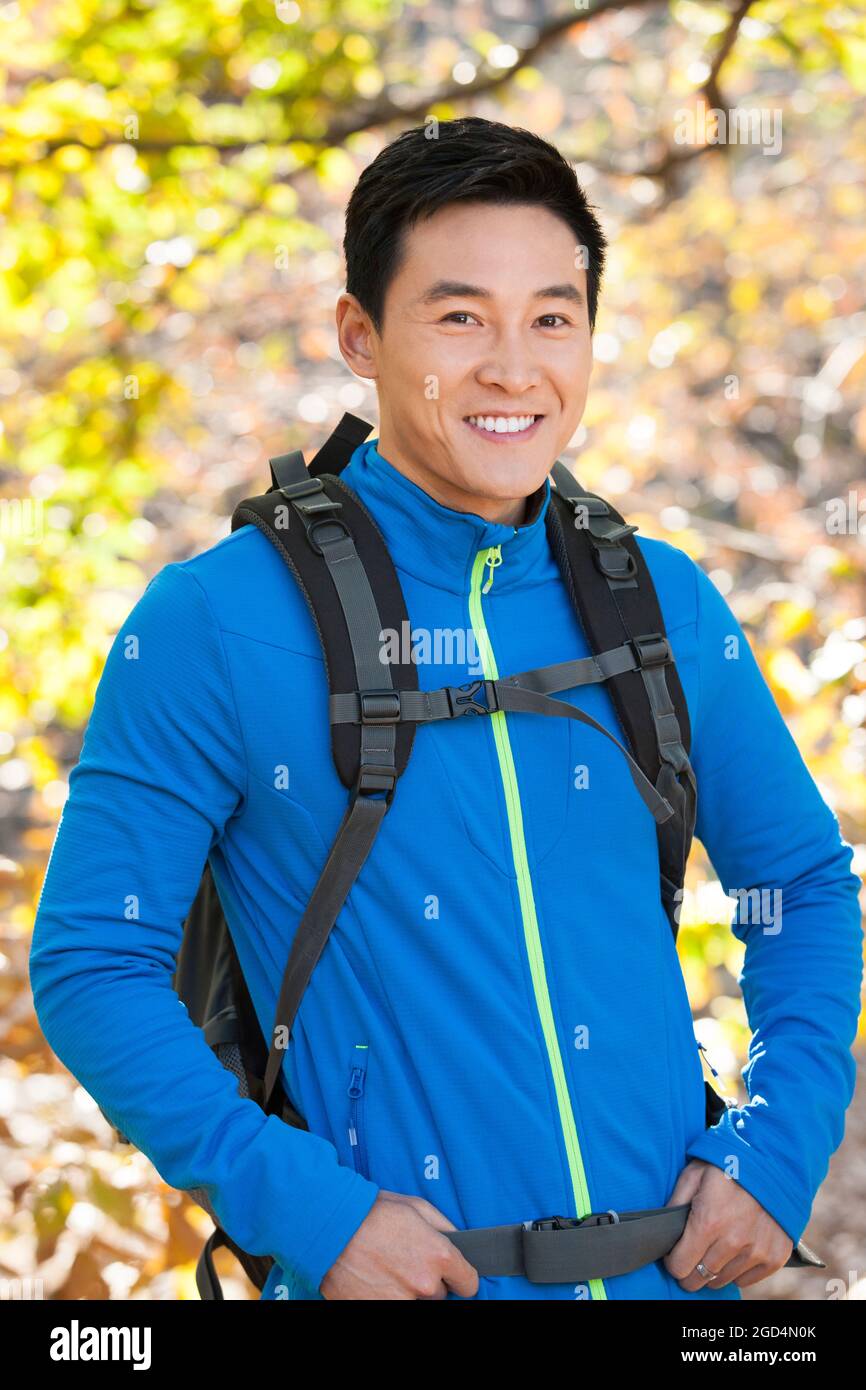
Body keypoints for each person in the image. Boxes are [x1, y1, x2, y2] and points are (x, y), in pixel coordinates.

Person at [29, 117, 863, 1301]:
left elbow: (804, 885)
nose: (513, 368)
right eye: (459, 316)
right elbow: (93, 963)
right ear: (359, 336)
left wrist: (774, 1150)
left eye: (552, 317)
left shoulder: (656, 597)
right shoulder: (214, 620)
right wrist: (304, 1210)